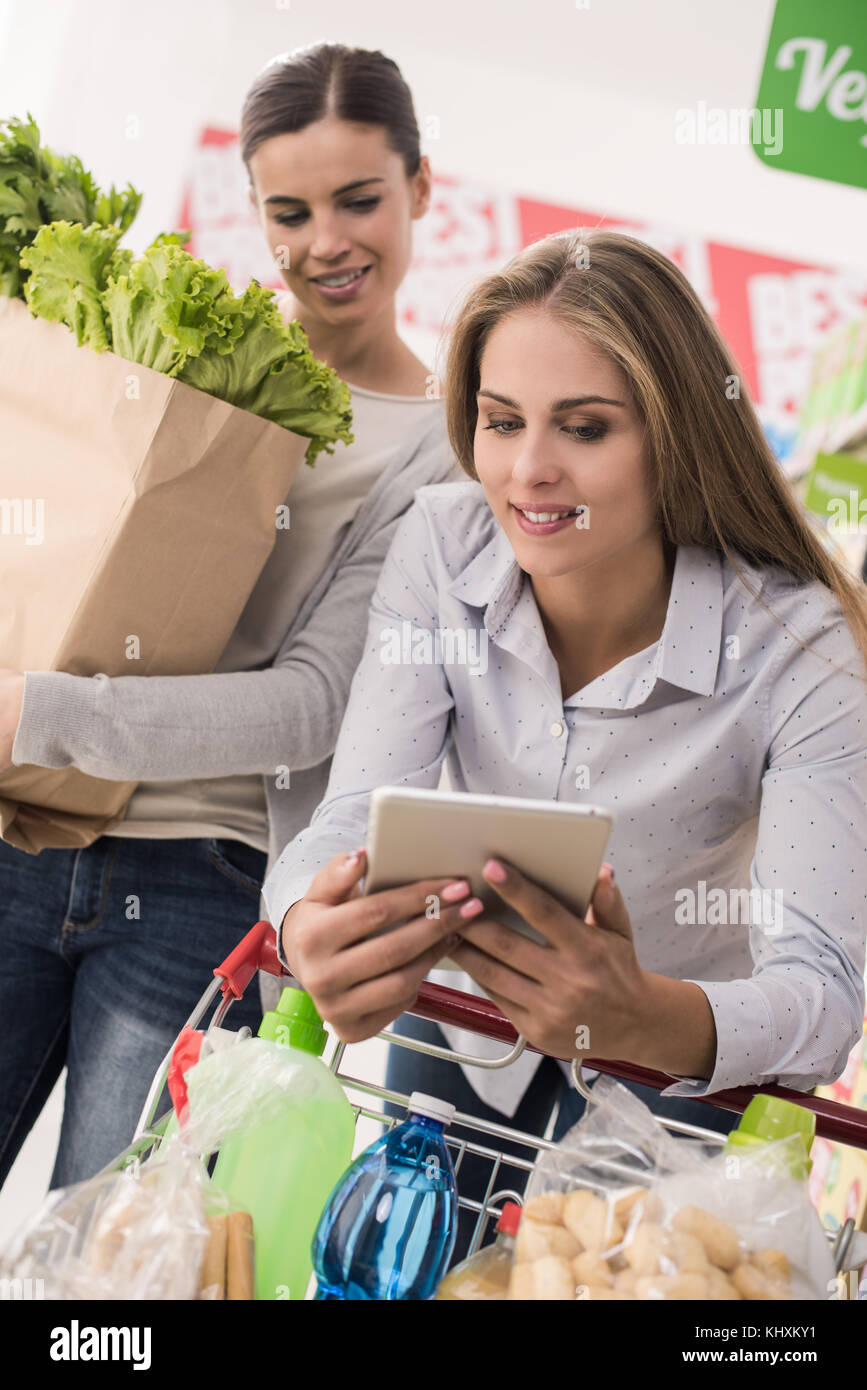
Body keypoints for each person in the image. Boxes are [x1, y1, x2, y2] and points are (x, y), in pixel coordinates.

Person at [264, 228, 867, 1261]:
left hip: (681, 1066)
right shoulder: (441, 542)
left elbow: (821, 995)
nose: (528, 471)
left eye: (584, 427)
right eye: (501, 421)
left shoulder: (798, 643)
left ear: (675, 434)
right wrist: (299, 918)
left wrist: (646, 1017)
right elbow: (351, 817)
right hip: (458, 1020)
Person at [0, 42, 458, 1191]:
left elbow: (310, 708)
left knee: (106, 1261)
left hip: (205, 884)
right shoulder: (174, 355)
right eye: (288, 212)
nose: (326, 244)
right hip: (25, 827)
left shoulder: (443, 450)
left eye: (360, 200)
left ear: (421, 189)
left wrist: (33, 711)